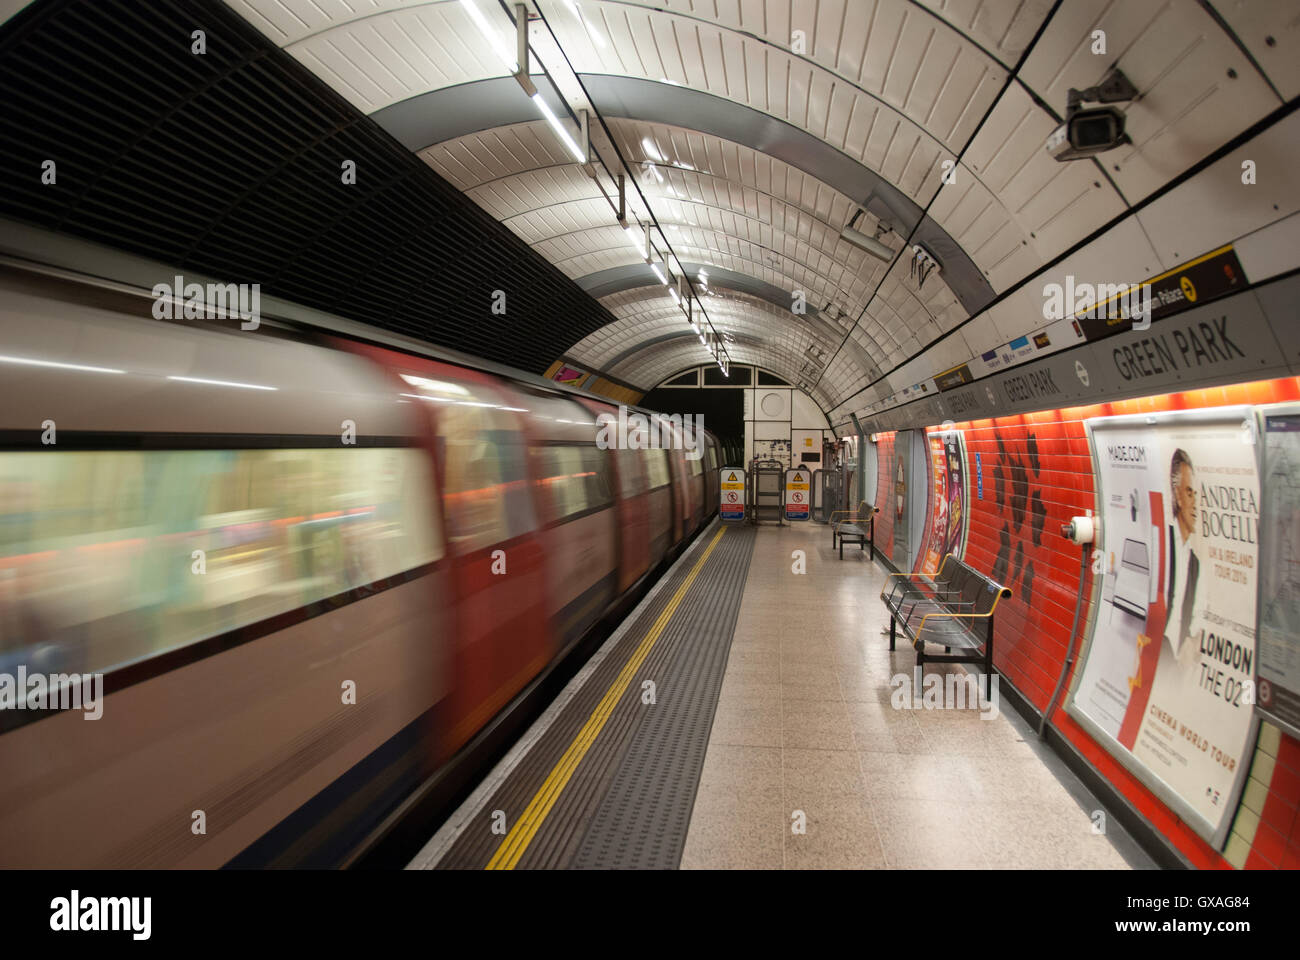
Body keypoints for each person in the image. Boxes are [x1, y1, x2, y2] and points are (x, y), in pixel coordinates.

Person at [1165, 448, 1200, 657]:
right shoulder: (1164, 545)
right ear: (1177, 495)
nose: (1194, 502)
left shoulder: (1195, 563)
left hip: (1175, 663)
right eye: (1189, 492)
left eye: (1195, 494)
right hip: (1155, 652)